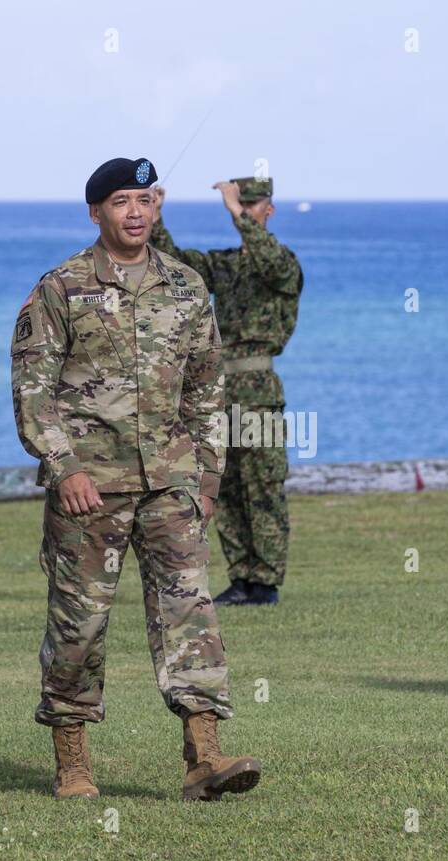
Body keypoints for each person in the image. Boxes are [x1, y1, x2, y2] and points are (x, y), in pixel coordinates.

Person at [12, 156, 261, 801]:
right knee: (80, 623)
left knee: (190, 614)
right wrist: (62, 466)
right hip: (89, 487)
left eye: (146, 201)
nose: (136, 213)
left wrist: (208, 476)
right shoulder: (60, 288)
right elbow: (32, 393)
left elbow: (207, 387)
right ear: (96, 211)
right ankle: (72, 760)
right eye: (121, 201)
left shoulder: (185, 285)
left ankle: (204, 754)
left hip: (171, 483)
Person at [151, 176, 302, 606]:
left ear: (268, 210)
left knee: (263, 484)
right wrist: (157, 217)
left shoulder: (283, 264)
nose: (245, 211)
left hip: (257, 391)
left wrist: (235, 212)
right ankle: (242, 578)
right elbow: (177, 266)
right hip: (219, 389)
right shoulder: (230, 265)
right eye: (242, 205)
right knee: (225, 483)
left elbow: (269, 260)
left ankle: (266, 581)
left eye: (252, 206)